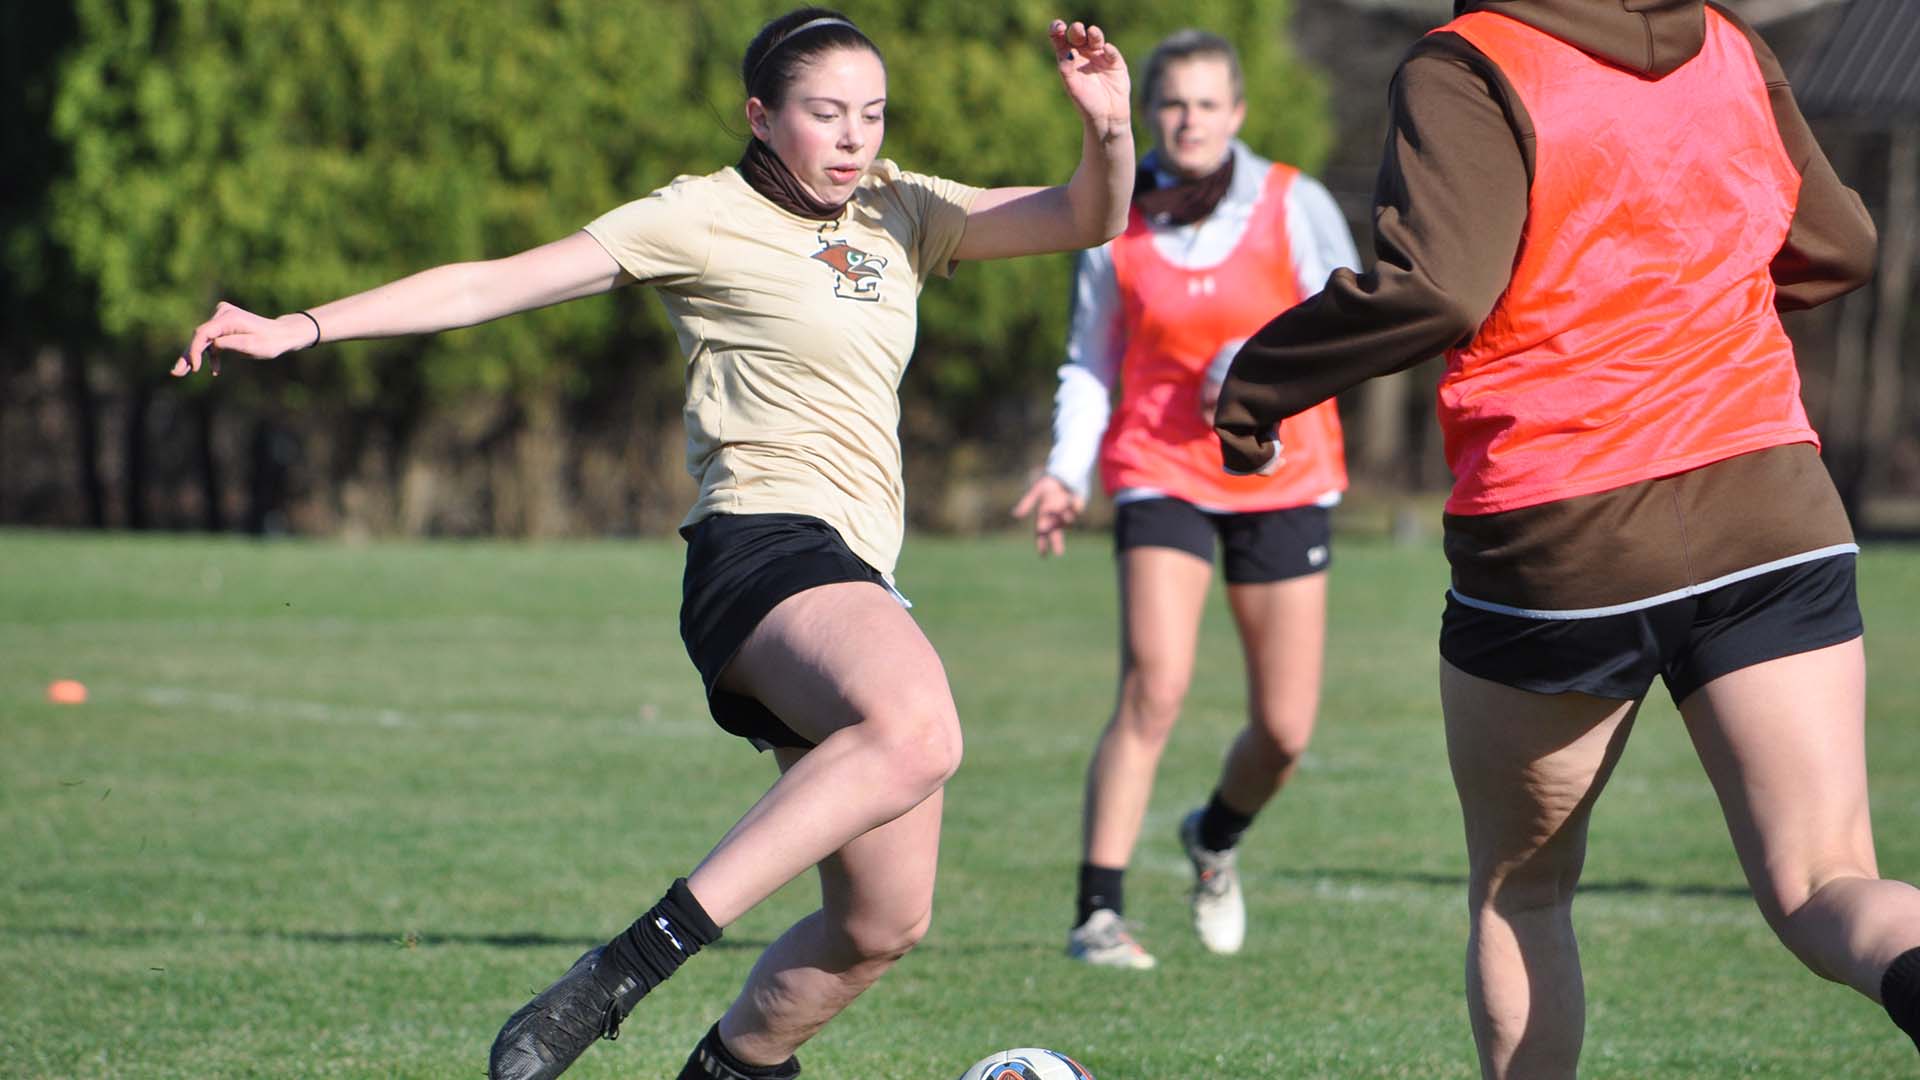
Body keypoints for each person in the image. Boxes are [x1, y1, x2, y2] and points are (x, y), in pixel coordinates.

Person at [173, 10, 1134, 1078]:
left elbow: (1086, 216)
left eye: (871, 113)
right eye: (826, 114)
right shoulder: (701, 215)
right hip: (761, 546)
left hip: (856, 575)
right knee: (919, 733)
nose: (854, 137)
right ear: (759, 116)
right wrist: (301, 326)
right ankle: (624, 970)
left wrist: (1108, 126)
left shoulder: (898, 207)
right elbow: (494, 282)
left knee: (880, 925)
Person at [1211, 0, 1920, 1074]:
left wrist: (1259, 382)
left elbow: (1439, 288)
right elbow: (1841, 244)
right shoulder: (1728, 41)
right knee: (1828, 880)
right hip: (1770, 506)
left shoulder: (1470, 62)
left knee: (1523, 891)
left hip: (1563, 529)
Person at [1012, 28, 1357, 970]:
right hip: (1158, 468)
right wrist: (1066, 469)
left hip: (1282, 475)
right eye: (1172, 102)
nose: (1189, 120)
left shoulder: (1293, 202)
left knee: (1284, 730)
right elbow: (1091, 358)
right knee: (1154, 686)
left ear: (1237, 112)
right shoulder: (1115, 214)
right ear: (1150, 111)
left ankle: (1213, 835)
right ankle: (1097, 916)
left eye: (1208, 103)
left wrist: (1259, 369)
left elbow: (1355, 323)